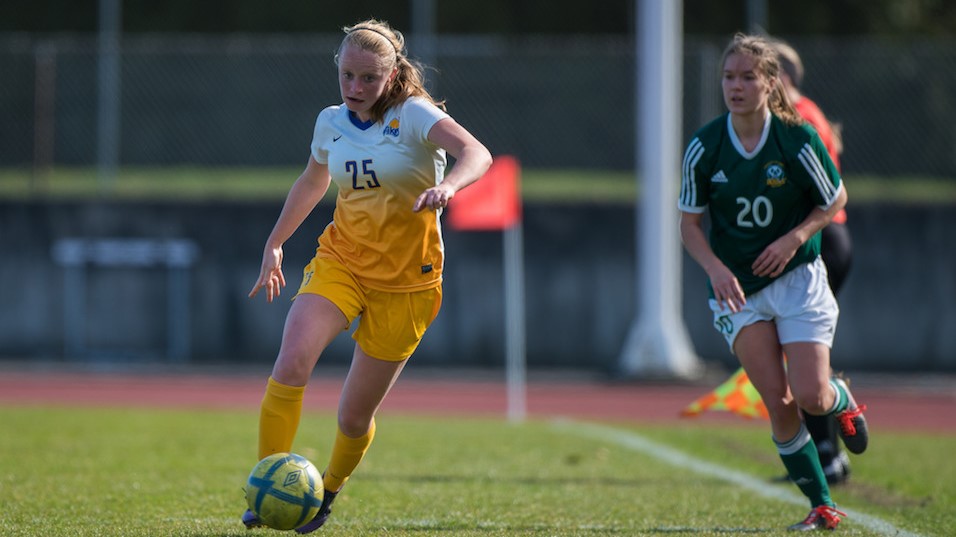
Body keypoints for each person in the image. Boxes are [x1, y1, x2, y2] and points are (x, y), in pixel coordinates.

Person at [242, 19, 492, 533]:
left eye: (368, 79)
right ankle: (265, 487)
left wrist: (451, 188)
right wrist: (274, 243)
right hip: (344, 262)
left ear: (393, 74)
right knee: (291, 360)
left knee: (353, 418)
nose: (355, 89)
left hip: (409, 284)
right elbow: (313, 181)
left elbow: (478, 153)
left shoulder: (414, 115)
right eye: (347, 76)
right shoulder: (330, 122)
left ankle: (326, 493)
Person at [678, 33, 868, 531]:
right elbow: (690, 226)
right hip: (738, 291)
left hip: (799, 278)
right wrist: (716, 270)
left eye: (746, 77)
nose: (735, 86)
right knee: (779, 404)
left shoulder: (796, 137)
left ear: (769, 83)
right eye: (728, 76)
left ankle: (840, 398)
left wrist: (794, 237)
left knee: (811, 396)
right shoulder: (705, 146)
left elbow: (836, 198)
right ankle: (822, 505)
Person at [775, 38, 855, 485]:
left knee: (805, 351)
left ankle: (827, 453)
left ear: (782, 78)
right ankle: (825, 454)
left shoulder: (799, 118)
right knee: (802, 352)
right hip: (818, 241)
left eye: (756, 75)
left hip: (820, 242)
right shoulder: (798, 114)